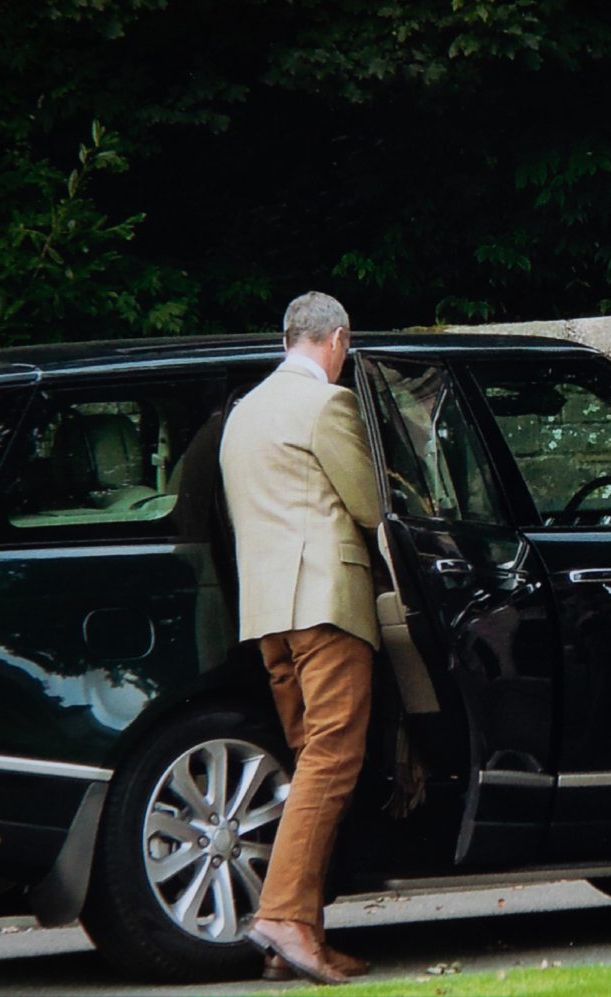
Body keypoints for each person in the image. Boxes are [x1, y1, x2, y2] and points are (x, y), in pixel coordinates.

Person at [219, 291, 382, 985]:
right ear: (337, 339)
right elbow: (371, 505)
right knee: (333, 760)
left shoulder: (243, 412)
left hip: (268, 617)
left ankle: (297, 935)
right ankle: (284, 918)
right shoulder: (325, 405)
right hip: (325, 603)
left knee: (311, 760)